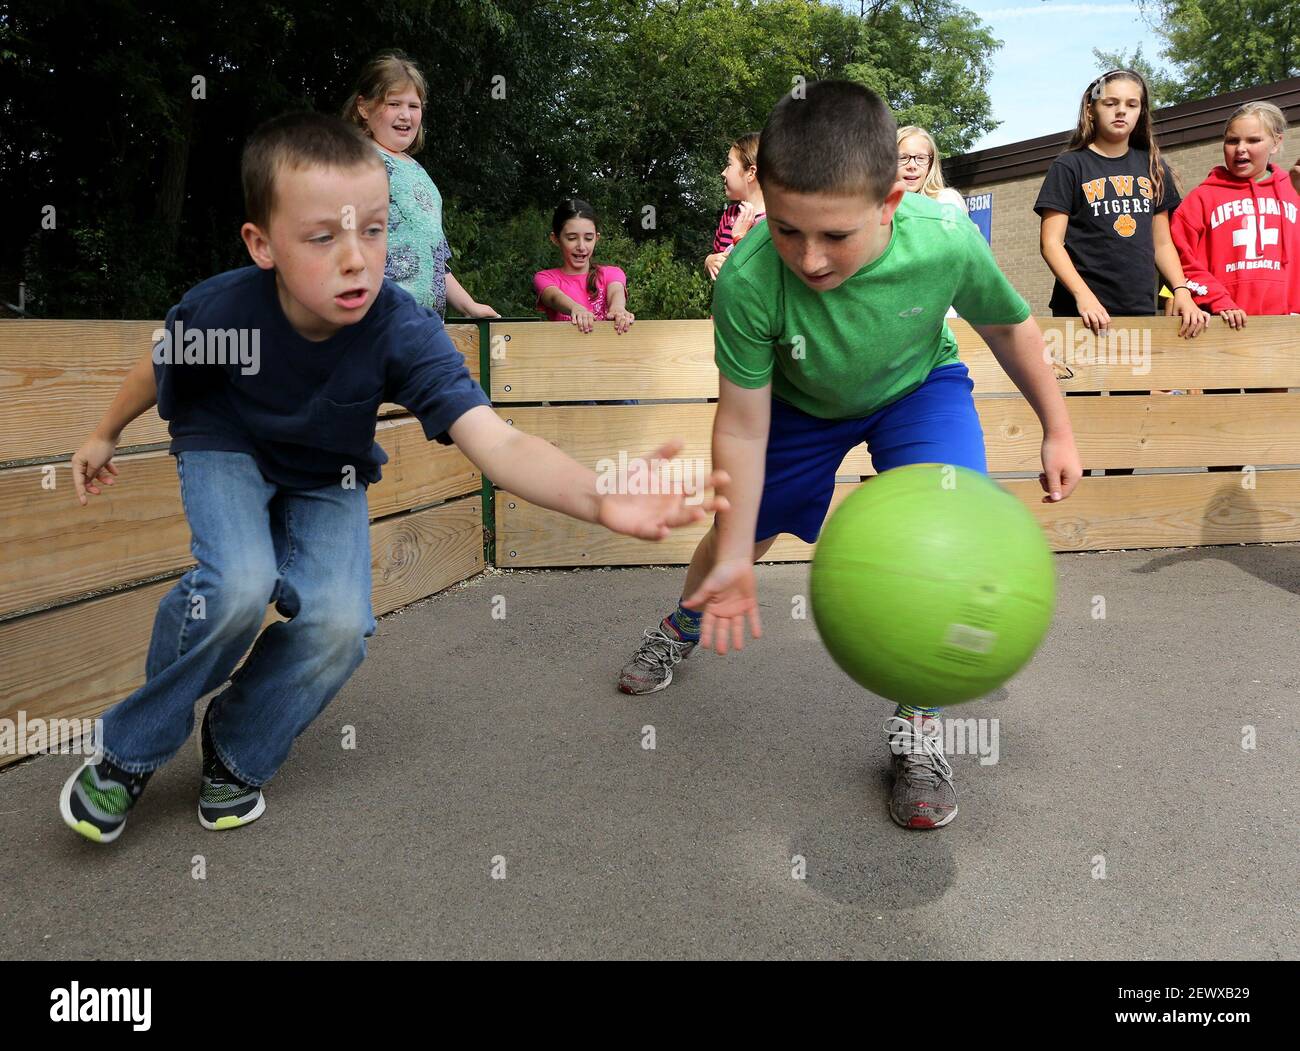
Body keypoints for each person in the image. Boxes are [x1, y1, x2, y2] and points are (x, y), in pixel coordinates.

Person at [59, 113, 723, 844]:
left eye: (372, 232)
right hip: (227, 443)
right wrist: (103, 432)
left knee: (341, 624)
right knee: (239, 585)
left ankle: (237, 744)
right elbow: (160, 367)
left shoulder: (398, 327)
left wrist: (599, 496)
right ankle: (131, 751)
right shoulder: (228, 310)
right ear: (262, 244)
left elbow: (495, 439)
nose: (355, 260)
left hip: (325, 471)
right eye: (323, 237)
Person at [615, 81, 1083, 830]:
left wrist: (1057, 427)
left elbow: (1009, 327)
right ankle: (680, 624)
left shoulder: (944, 238)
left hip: (917, 388)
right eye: (790, 229)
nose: (810, 257)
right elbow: (739, 422)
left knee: (953, 544)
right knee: (740, 534)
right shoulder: (748, 278)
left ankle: (917, 730)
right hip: (803, 404)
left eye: (835, 235)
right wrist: (737, 549)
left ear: (892, 203)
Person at [1035, 69, 1207, 338]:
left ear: (1141, 112)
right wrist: (1084, 297)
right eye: (1111, 103)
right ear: (1091, 109)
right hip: (1081, 312)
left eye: (1131, 104)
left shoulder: (1153, 167)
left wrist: (1181, 289)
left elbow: (1162, 243)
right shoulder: (1069, 166)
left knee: (1136, 381)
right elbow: (1051, 243)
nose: (1121, 111)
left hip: (1138, 309)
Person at [342, 50, 498, 320]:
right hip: (374, 324)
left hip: (424, 326)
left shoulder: (419, 173)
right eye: (393, 104)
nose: (405, 115)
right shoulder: (357, 162)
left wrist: (469, 305)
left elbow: (435, 260)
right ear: (364, 107)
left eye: (413, 106)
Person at [1170, 101, 1300, 324]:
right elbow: (1178, 257)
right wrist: (1218, 300)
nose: (1241, 148)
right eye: (1232, 140)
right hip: (1222, 324)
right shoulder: (1202, 198)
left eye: (1253, 140)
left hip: (1288, 327)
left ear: (1276, 142)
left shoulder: (1294, 193)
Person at [534, 198, 635, 333]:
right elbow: (553, 297)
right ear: (556, 239)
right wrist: (576, 308)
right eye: (572, 238)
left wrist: (618, 309)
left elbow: (616, 291)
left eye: (588, 238)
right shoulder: (545, 278)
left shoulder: (612, 273)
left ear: (596, 238)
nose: (581, 247)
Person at [705, 132, 766, 280]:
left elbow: (759, 278)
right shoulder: (729, 215)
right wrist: (709, 262)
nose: (723, 173)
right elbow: (718, 259)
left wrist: (739, 237)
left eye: (729, 164)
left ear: (751, 173)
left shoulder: (772, 224)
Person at [897, 125, 968, 212]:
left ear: (930, 165)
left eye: (921, 158)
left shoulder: (945, 201)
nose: (912, 166)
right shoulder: (878, 205)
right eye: (903, 158)